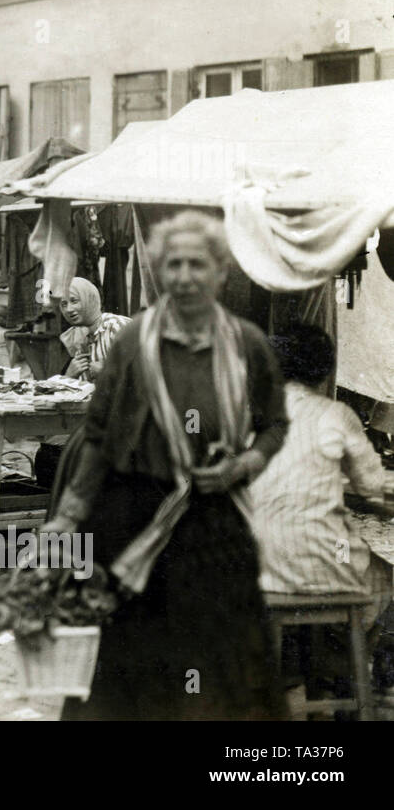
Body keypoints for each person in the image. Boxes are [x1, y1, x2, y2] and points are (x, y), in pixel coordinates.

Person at [42, 210, 289, 720]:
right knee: (129, 669)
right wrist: (66, 521)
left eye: (197, 264)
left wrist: (243, 465)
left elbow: (274, 426)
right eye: (172, 264)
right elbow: (99, 436)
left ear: (222, 271)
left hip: (213, 525)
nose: (184, 276)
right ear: (158, 270)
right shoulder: (136, 343)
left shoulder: (248, 346)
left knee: (221, 667)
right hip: (136, 521)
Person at [250, 323, 390, 606]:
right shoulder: (336, 415)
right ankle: (346, 643)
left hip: (253, 558)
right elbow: (370, 484)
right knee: (383, 575)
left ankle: (316, 635)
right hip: (326, 554)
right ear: (325, 370)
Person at [58, 277, 130, 380]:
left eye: (74, 301)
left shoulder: (117, 326)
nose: (68, 309)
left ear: (89, 299)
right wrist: (69, 376)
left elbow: (144, 371)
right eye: (64, 304)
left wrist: (107, 370)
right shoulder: (80, 338)